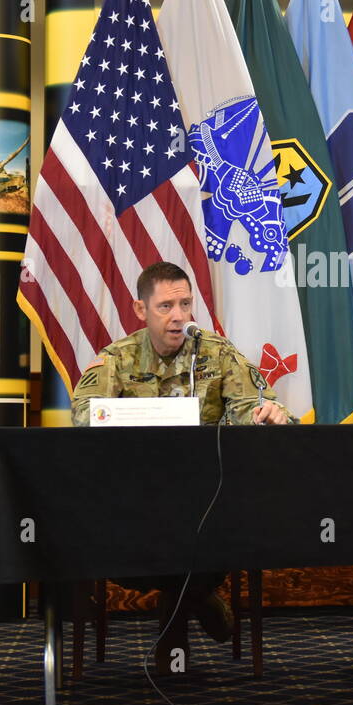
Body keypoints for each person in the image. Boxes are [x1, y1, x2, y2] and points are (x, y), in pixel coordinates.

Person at [71, 261, 293, 673]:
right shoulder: (117, 358)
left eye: (186, 304)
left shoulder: (217, 353)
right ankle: (199, 599)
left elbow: (251, 404)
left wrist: (267, 412)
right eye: (166, 306)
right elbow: (84, 415)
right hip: (137, 494)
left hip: (207, 494)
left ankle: (172, 636)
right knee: (141, 550)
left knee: (206, 530)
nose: (178, 316)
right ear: (141, 310)